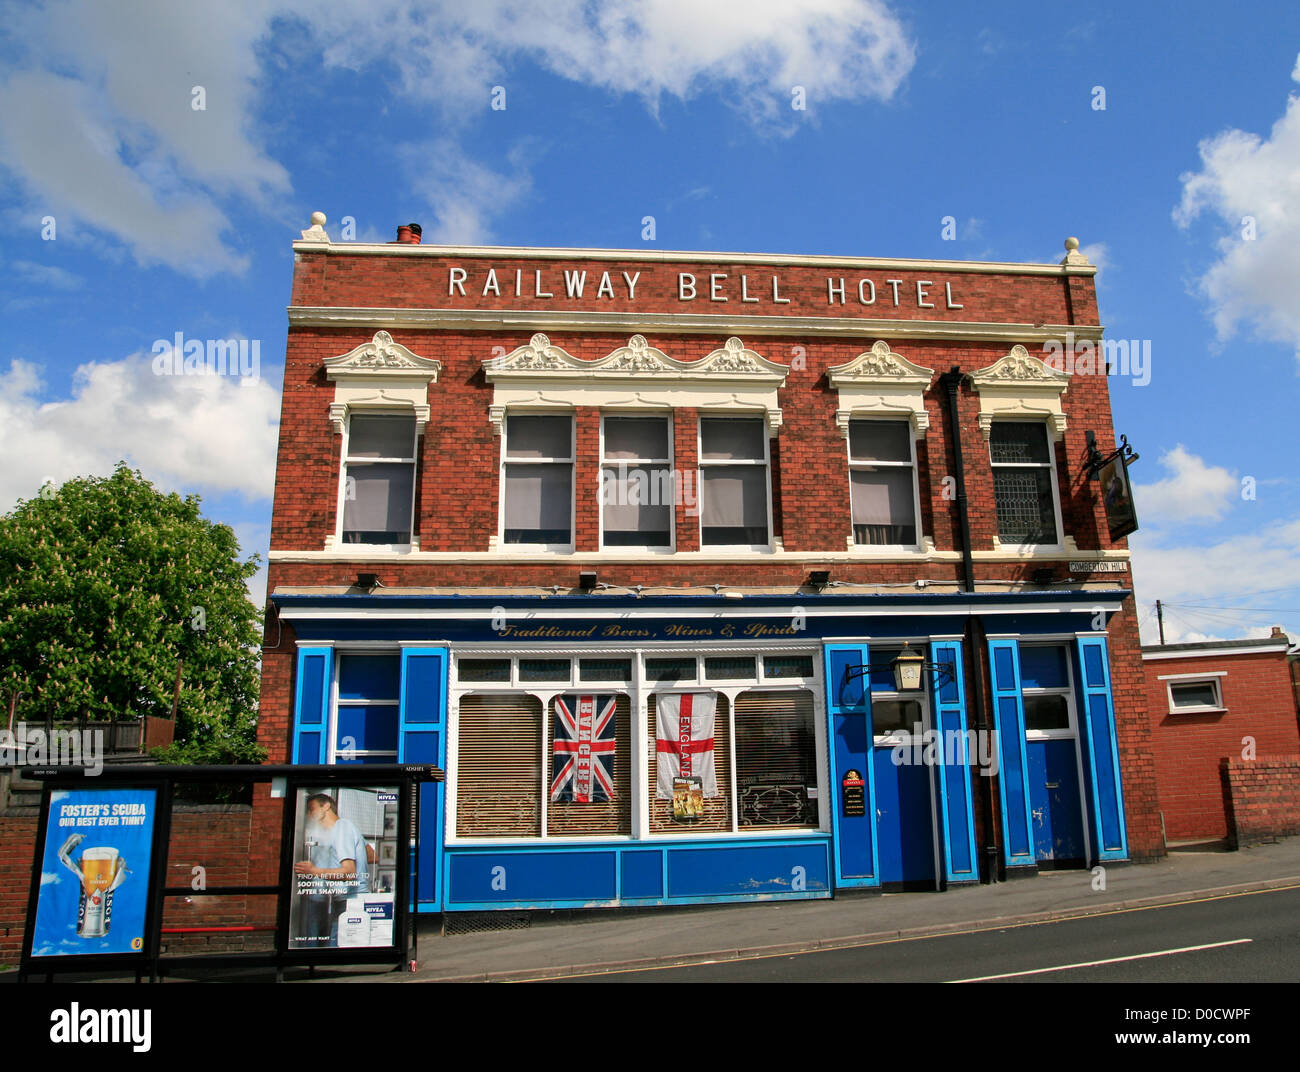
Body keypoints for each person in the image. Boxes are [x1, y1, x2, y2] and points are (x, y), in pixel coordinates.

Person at [293, 792, 370, 945]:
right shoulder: (337, 832)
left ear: (326, 806)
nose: (309, 814)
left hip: (350, 901)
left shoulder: (342, 827)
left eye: (312, 809)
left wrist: (314, 871)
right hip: (342, 900)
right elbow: (371, 855)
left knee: (336, 945)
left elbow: (349, 872)